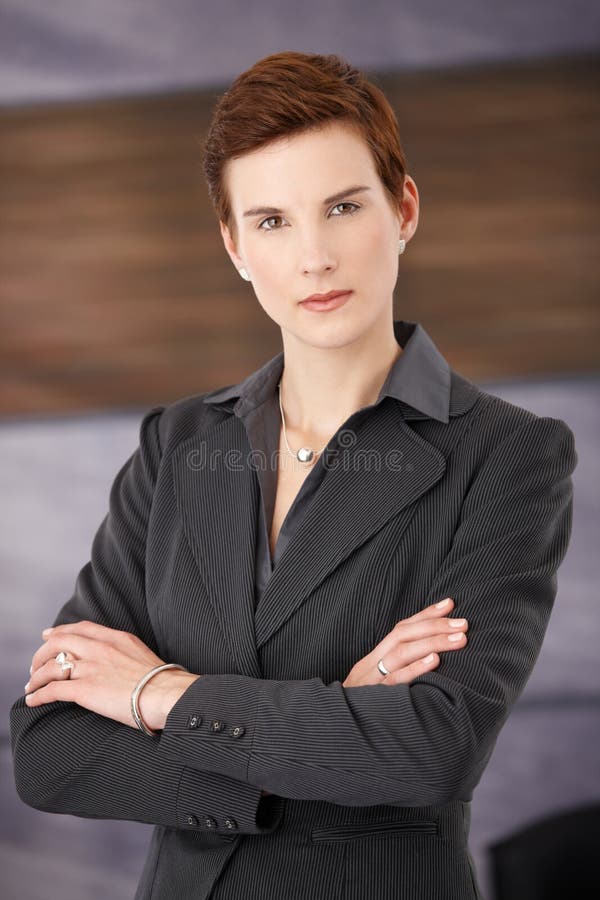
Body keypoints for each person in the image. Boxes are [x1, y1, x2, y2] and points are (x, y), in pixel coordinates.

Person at [10, 51, 576, 900]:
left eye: (343, 207)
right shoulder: (177, 445)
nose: (314, 257)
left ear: (403, 210)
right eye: (272, 221)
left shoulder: (507, 454)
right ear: (235, 247)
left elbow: (434, 747)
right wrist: (334, 720)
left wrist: (159, 694)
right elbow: (51, 751)